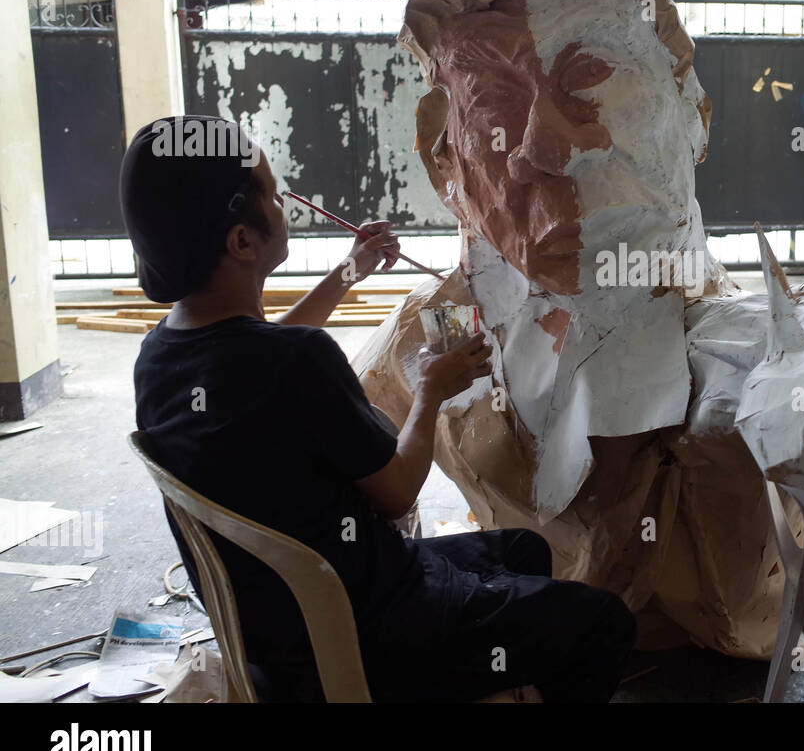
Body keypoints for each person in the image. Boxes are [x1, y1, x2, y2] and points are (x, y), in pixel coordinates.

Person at [121, 115, 636, 702]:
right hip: (366, 631)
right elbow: (398, 493)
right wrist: (430, 392)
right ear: (241, 241)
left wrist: (350, 271)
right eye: (273, 193)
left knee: (524, 549)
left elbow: (258, 357)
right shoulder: (298, 361)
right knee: (603, 622)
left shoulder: (164, 354)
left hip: (279, 629)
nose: (285, 201)